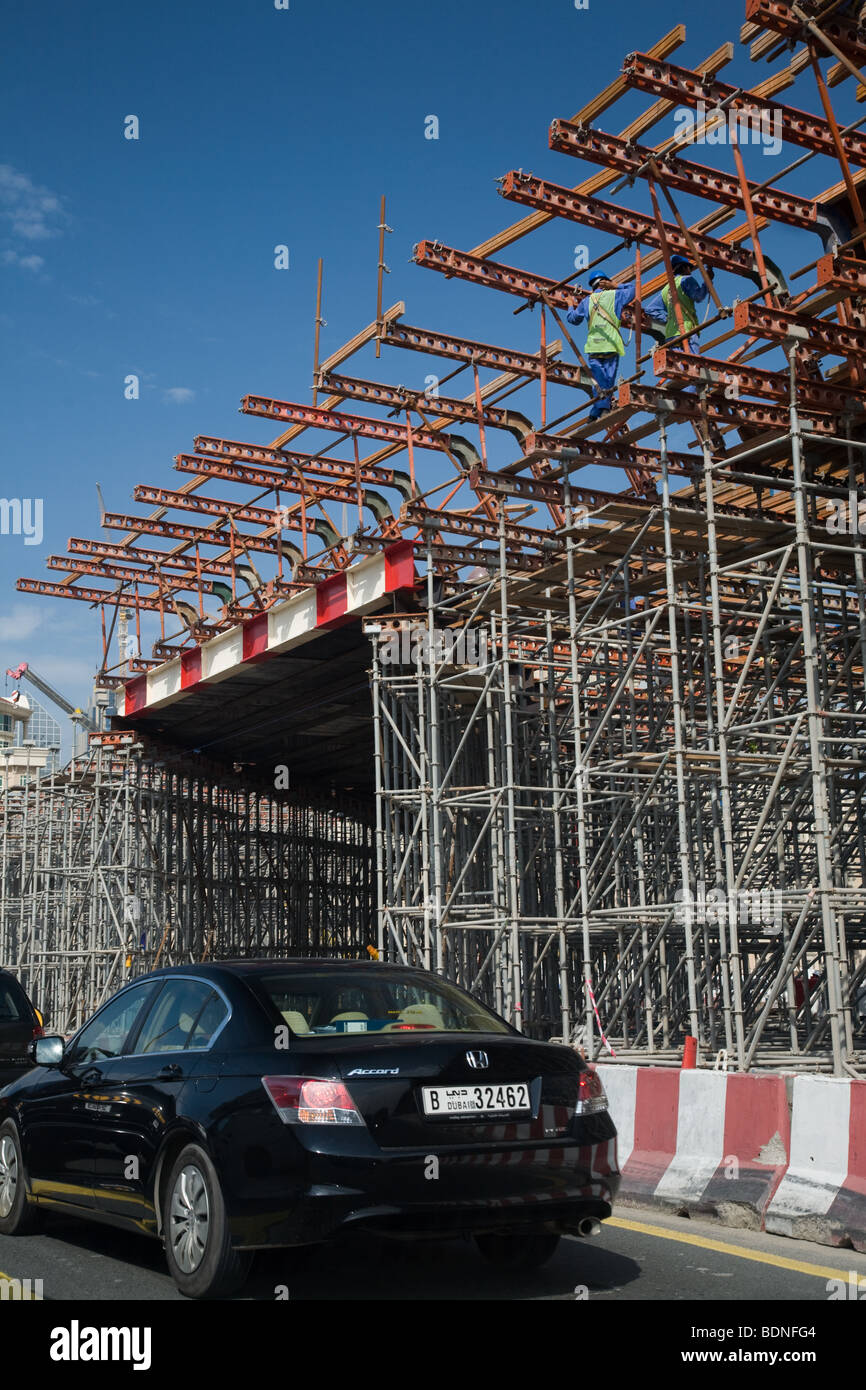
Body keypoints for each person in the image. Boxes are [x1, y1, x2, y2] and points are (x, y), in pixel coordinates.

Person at [566, 271, 636, 421]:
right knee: (608, 380)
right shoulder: (615, 295)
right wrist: (616, 285)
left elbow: (573, 319)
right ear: (605, 282)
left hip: (594, 347)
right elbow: (633, 290)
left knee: (598, 381)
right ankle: (603, 409)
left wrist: (570, 305)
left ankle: (594, 413)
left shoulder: (586, 301)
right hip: (611, 344)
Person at [643, 254, 714, 354]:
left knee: (680, 366)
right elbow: (698, 296)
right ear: (685, 267)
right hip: (687, 331)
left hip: (671, 335)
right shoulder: (686, 280)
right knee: (692, 365)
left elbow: (650, 309)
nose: (690, 272)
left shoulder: (666, 289)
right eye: (689, 269)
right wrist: (708, 281)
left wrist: (668, 318)